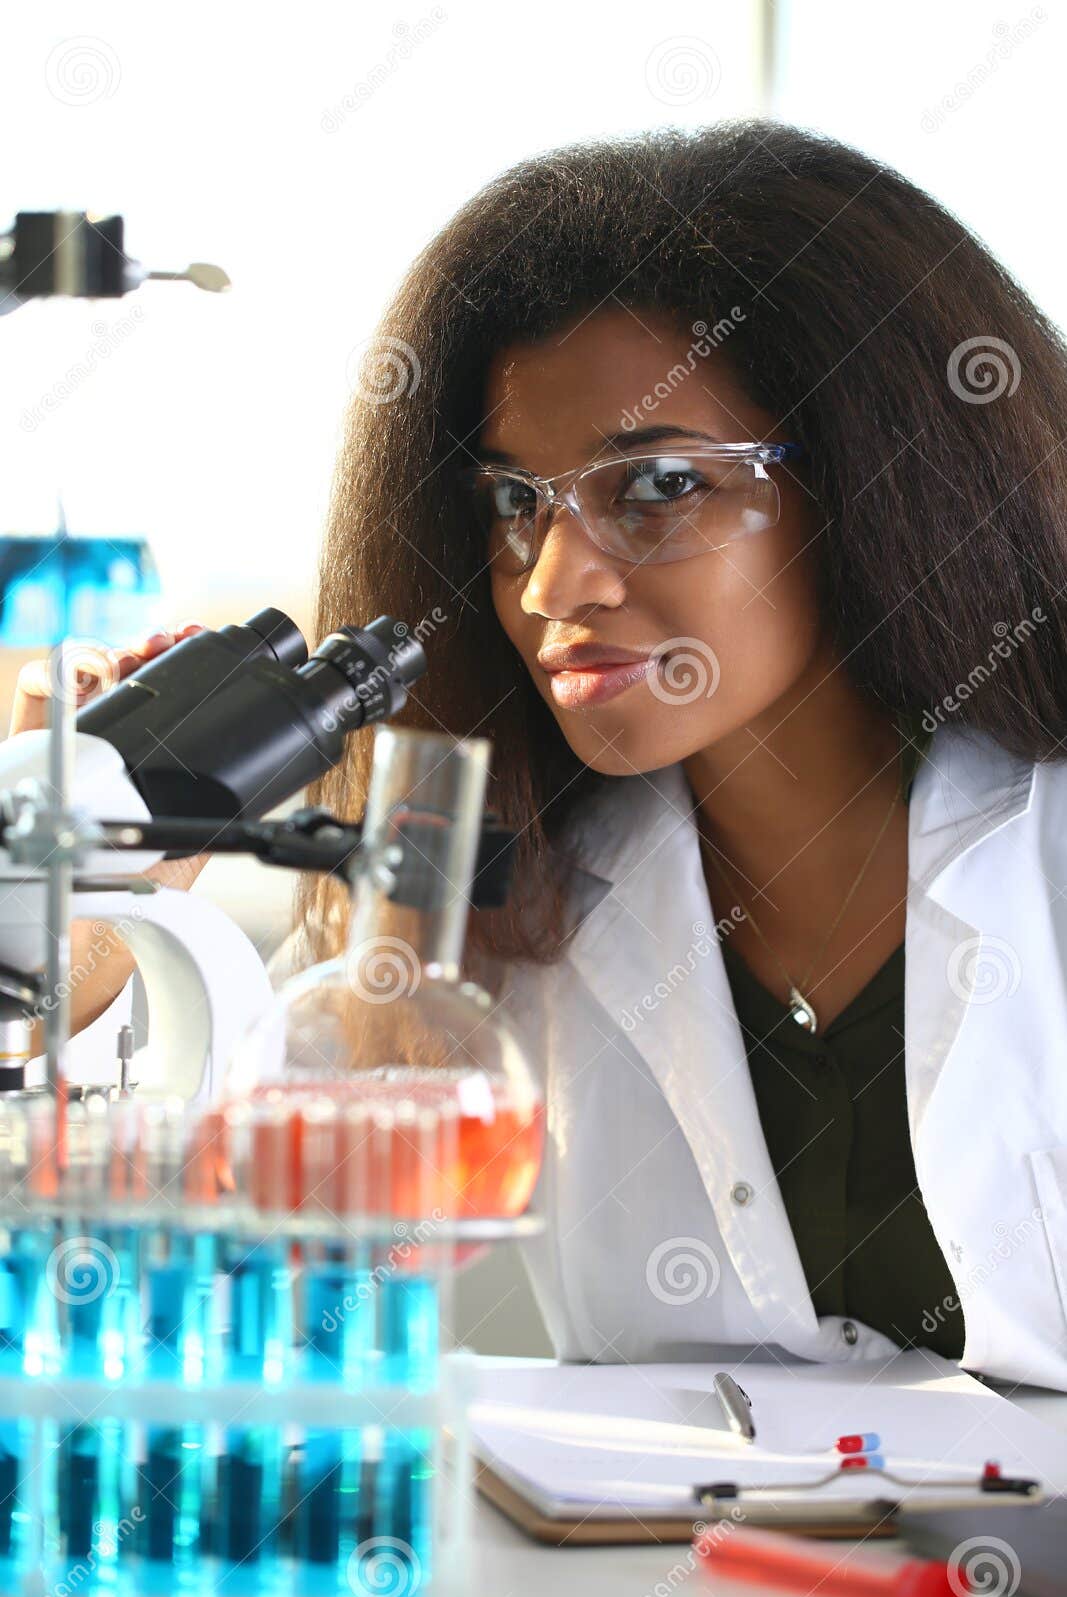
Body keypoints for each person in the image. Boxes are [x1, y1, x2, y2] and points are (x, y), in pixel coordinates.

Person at [16, 121, 1067, 1386]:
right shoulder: (475, 892)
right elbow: (192, 1297)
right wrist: (91, 909)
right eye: (515, 502)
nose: (553, 581)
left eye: (660, 483)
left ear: (877, 479)